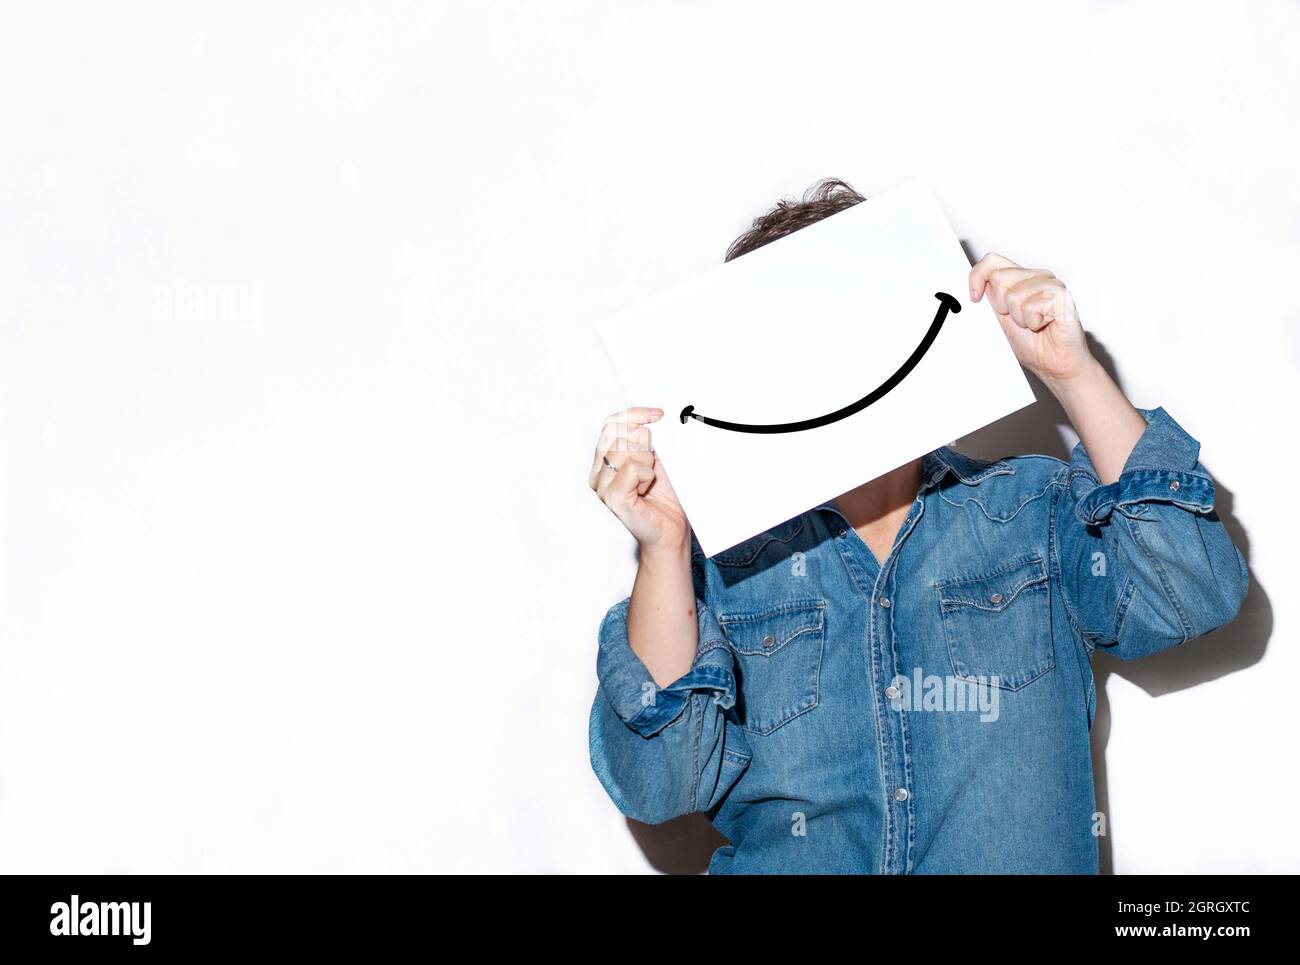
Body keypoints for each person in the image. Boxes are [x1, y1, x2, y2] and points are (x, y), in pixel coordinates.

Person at [586, 178, 1248, 874]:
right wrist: (662, 549)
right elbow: (656, 785)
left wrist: (1072, 371)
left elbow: (1189, 594)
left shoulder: (1030, 510)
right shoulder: (717, 573)